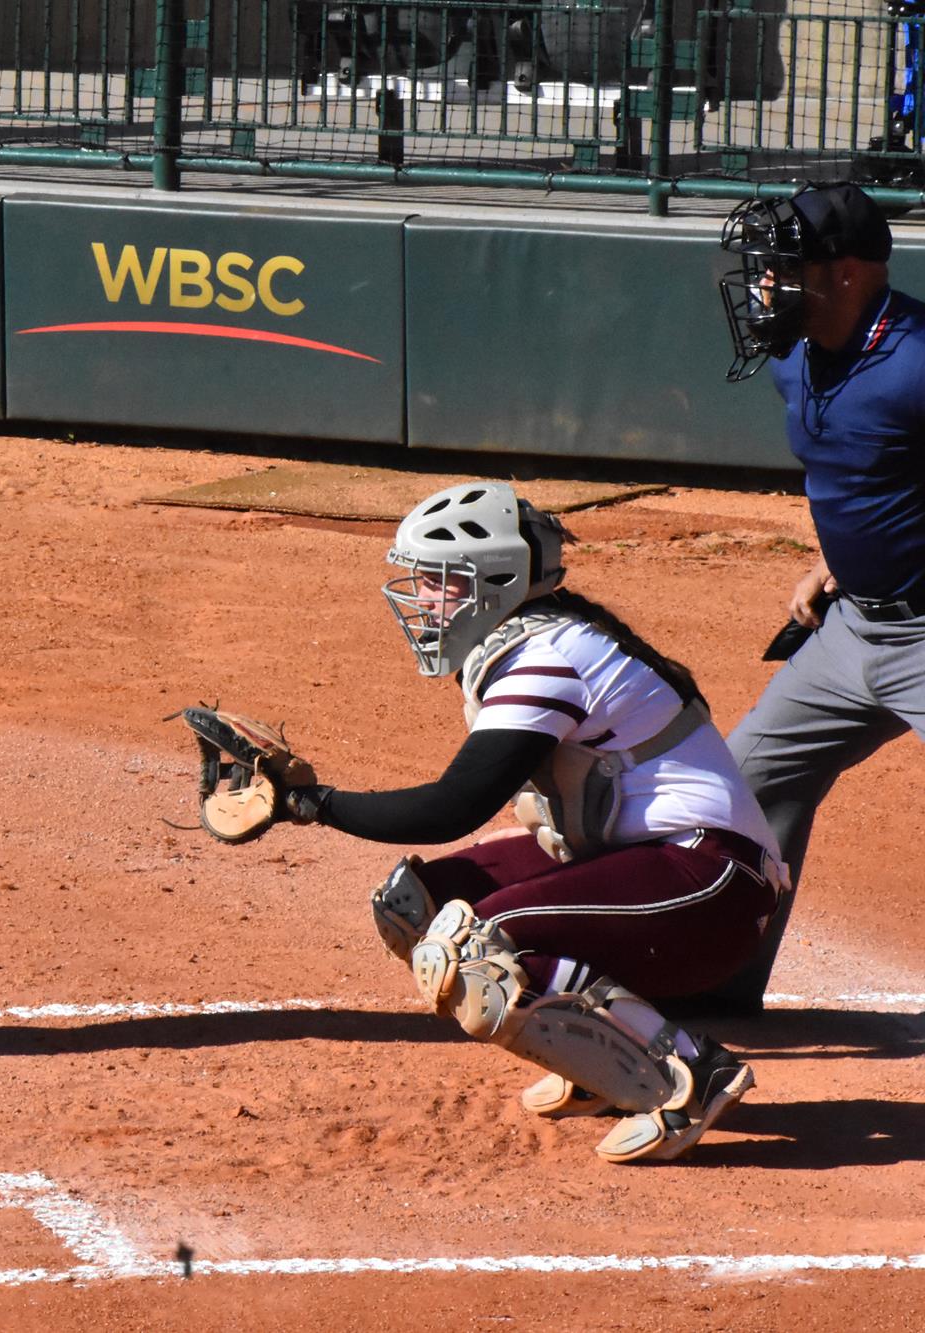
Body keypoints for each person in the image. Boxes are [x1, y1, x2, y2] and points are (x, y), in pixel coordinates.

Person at [279, 480, 784, 1163]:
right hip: (657, 863)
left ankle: (691, 1070)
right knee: (415, 906)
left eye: (437, 580)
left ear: (493, 581)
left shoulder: (548, 658)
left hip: (712, 886)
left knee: (475, 946)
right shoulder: (532, 638)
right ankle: (606, 1066)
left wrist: (311, 803)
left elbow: (451, 806)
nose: (422, 598)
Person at [704, 181, 925, 1012]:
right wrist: (833, 558)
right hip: (851, 632)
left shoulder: (915, 364)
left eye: (784, 265)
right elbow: (851, 468)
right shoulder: (794, 353)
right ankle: (720, 993)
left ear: (847, 275)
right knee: (746, 787)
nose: (764, 282)